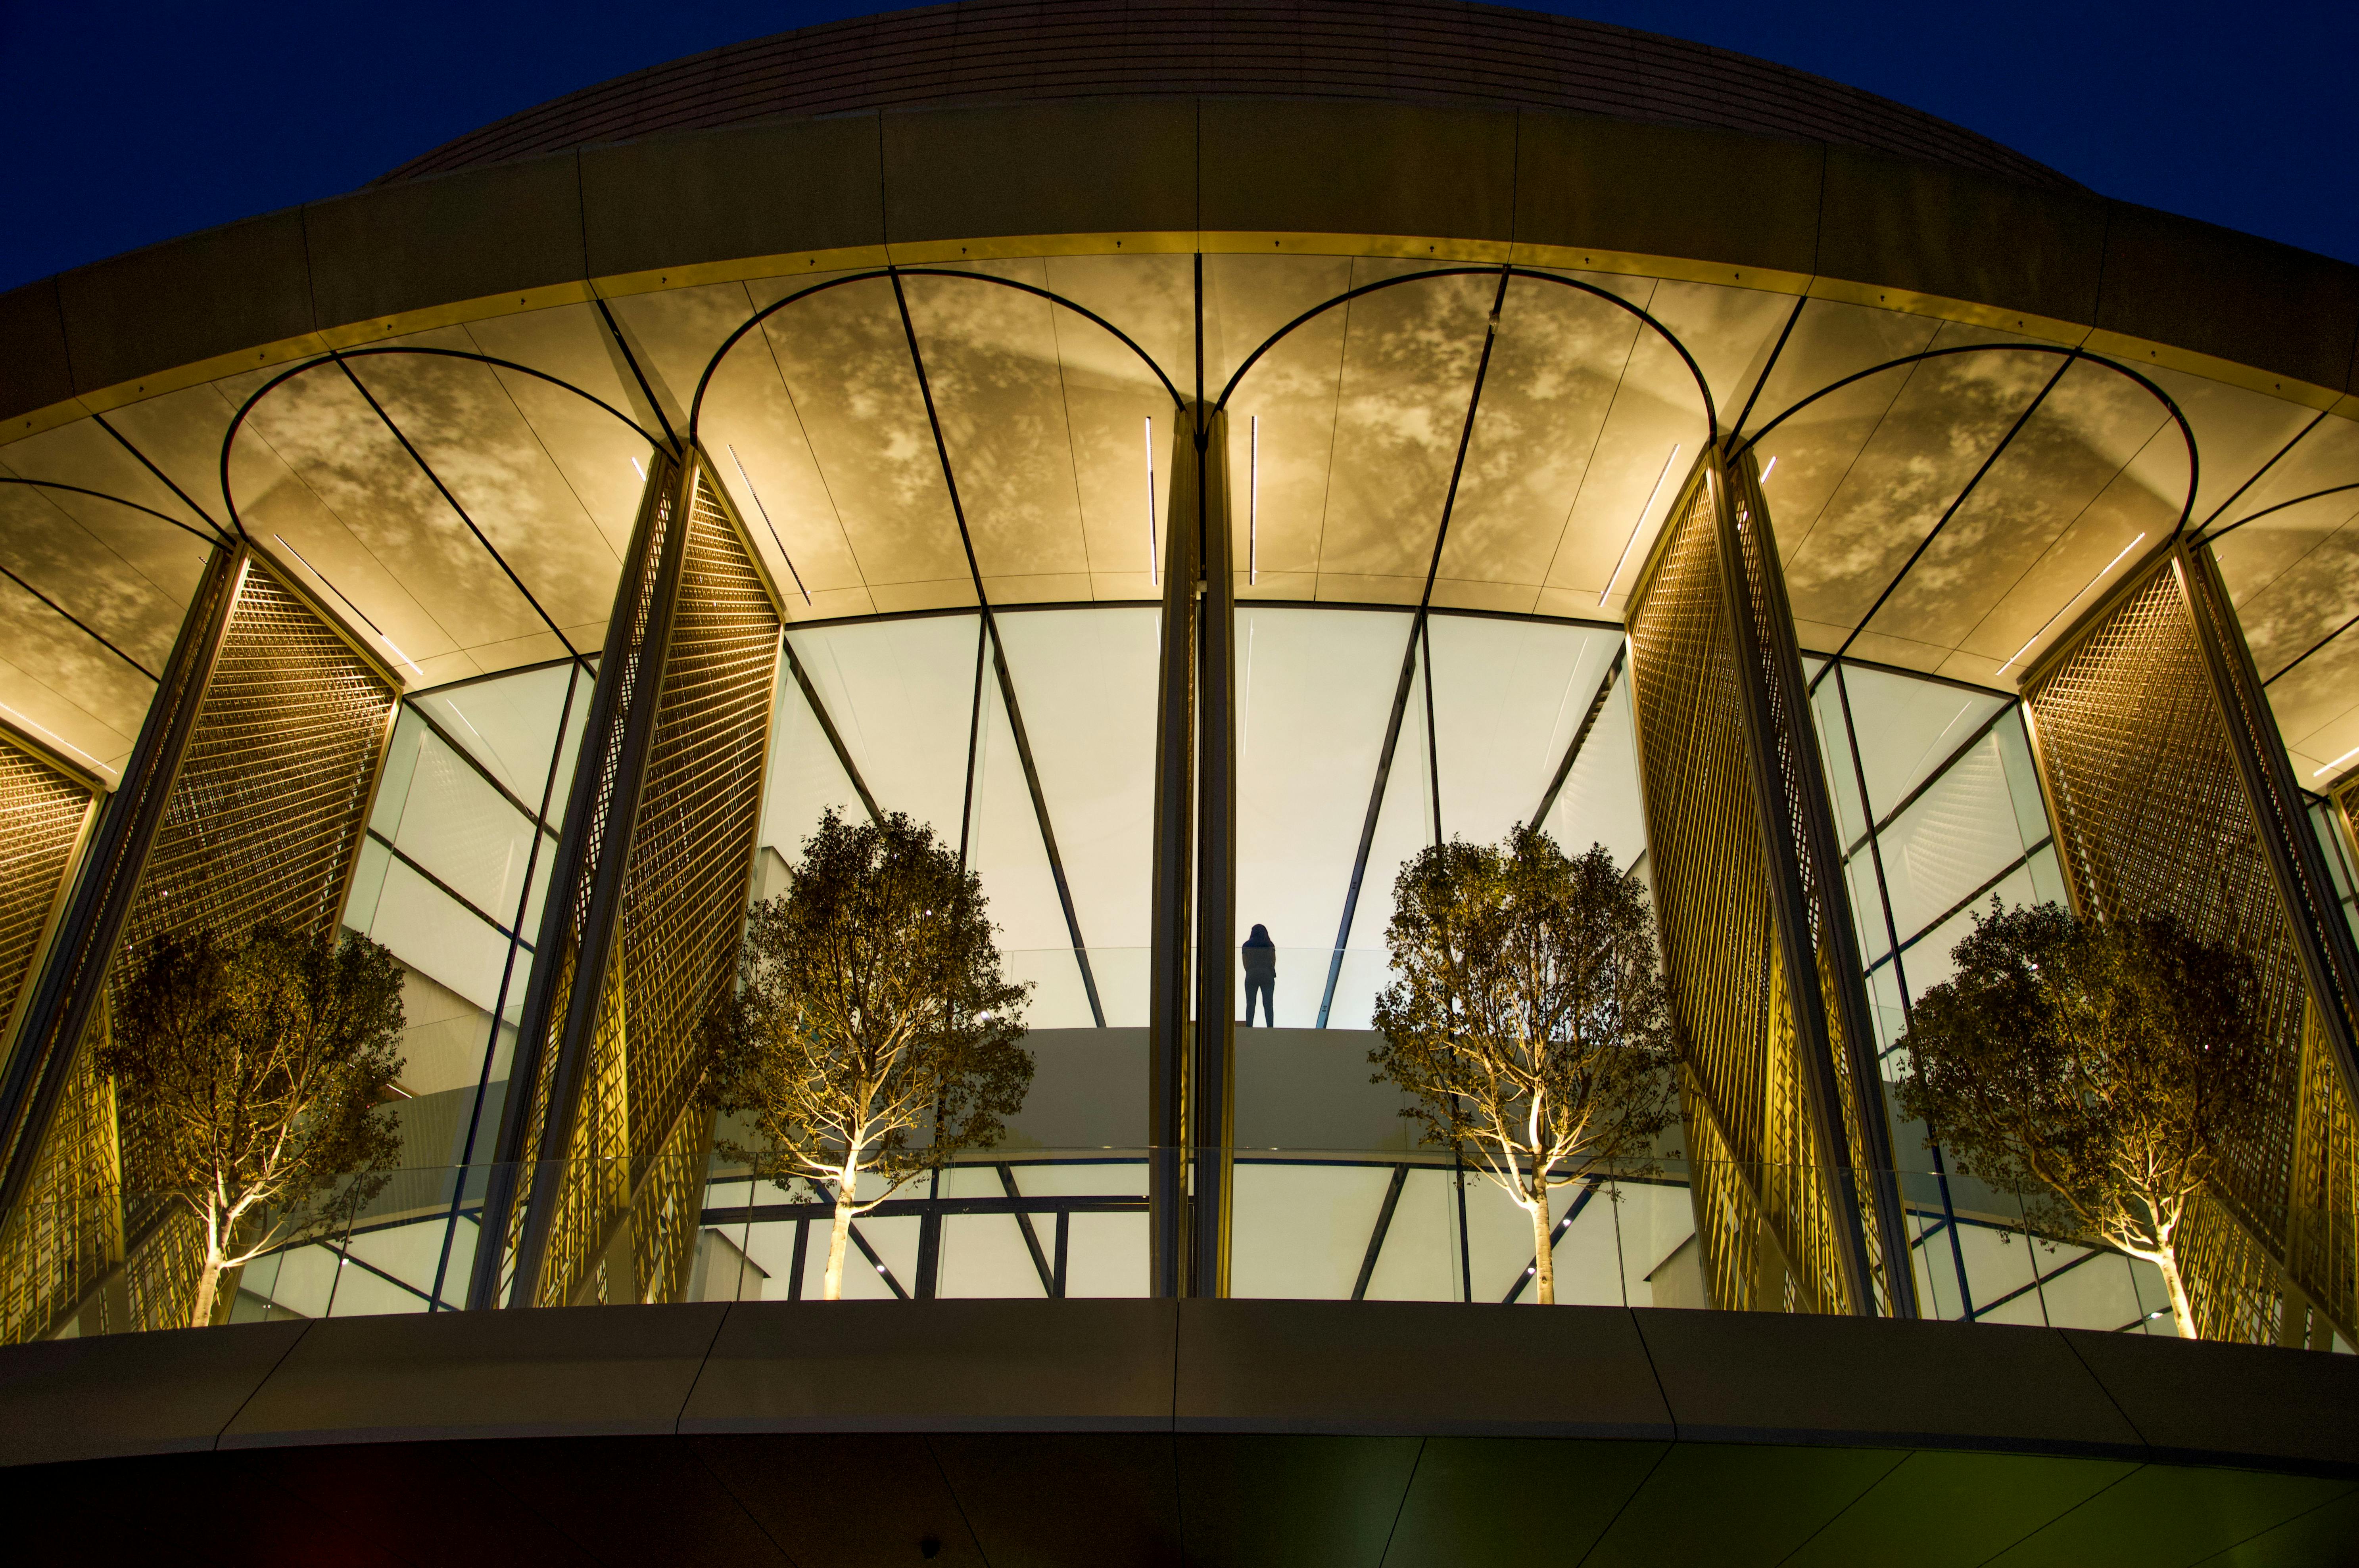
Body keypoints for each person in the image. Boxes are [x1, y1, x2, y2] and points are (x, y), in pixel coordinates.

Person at [1242, 924, 1276, 1027]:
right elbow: (1273, 961)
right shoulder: (1270, 945)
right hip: (1267, 975)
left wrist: (1251, 969)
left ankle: (1249, 1026)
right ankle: (1270, 1027)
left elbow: (1245, 964)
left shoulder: (1246, 945)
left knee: (1250, 1003)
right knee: (1268, 1004)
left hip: (1252, 975)